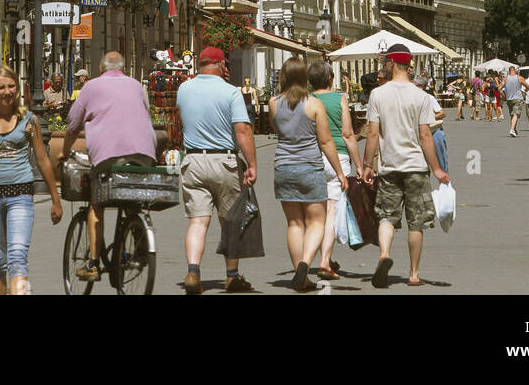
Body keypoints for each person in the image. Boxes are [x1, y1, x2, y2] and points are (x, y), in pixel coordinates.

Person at [0, 64, 62, 295]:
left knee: (17, 255)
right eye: (1, 87)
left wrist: (55, 199)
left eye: (11, 86)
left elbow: (43, 160)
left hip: (21, 196)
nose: (7, 91)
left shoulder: (29, 120)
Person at [61, 52, 158, 283]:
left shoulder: (92, 86)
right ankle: (139, 237)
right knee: (132, 199)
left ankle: (93, 264)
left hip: (108, 157)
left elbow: (72, 125)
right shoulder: (136, 86)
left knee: (97, 204)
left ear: (100, 67)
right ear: (123, 69)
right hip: (144, 154)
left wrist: (64, 153)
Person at [361, 44, 449, 289]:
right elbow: (426, 136)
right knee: (416, 222)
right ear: (409, 65)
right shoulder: (420, 96)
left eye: (385, 62)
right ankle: (413, 273)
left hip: (389, 167)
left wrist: (368, 165)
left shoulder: (377, 94)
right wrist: (438, 169)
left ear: (391, 63)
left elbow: (372, 134)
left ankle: (384, 254)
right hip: (416, 167)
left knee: (386, 217)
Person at [176, 46, 258, 295]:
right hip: (224, 161)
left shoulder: (184, 89)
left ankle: (193, 271)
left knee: (198, 222)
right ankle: (231, 276)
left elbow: (183, 119)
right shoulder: (230, 92)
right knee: (229, 222)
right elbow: (242, 130)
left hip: (193, 161)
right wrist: (252, 163)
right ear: (221, 65)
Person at [269, 58, 350, 293]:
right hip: (310, 167)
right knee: (317, 221)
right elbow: (325, 141)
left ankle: (300, 276)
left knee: (294, 223)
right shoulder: (314, 104)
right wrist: (340, 172)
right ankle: (305, 264)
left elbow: (279, 131)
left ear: (283, 76)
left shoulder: (274, 103)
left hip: (283, 166)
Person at [308, 60, 364, 281]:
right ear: (330, 78)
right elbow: (348, 133)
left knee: (314, 212)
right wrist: (358, 164)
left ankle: (314, 259)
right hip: (337, 156)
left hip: (311, 157)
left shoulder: (307, 100)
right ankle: (324, 261)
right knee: (331, 211)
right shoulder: (339, 98)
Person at [414, 76, 448, 173]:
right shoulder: (411, 99)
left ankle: (445, 184)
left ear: (421, 87)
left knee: (441, 162)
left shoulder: (429, 98)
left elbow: (442, 113)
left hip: (435, 132)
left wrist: (427, 118)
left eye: (414, 86)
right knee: (421, 165)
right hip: (419, 134)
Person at [502, 66, 529, 138]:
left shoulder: (505, 78)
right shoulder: (519, 78)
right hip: (518, 98)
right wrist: (526, 90)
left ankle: (514, 129)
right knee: (516, 114)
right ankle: (512, 129)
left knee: (512, 115)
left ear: (509, 71)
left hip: (509, 99)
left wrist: (504, 95)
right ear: (515, 71)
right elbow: (527, 86)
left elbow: (499, 88)